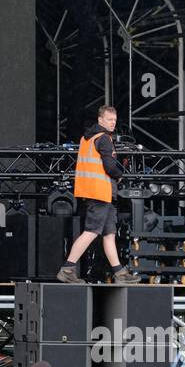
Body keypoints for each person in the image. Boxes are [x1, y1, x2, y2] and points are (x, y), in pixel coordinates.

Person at [58, 104, 140, 284]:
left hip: (97, 192)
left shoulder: (87, 138)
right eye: (110, 120)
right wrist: (119, 175)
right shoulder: (104, 139)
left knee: (109, 234)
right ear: (100, 119)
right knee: (91, 232)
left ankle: (119, 273)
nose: (113, 123)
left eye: (115, 120)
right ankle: (67, 268)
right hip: (100, 193)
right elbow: (109, 166)